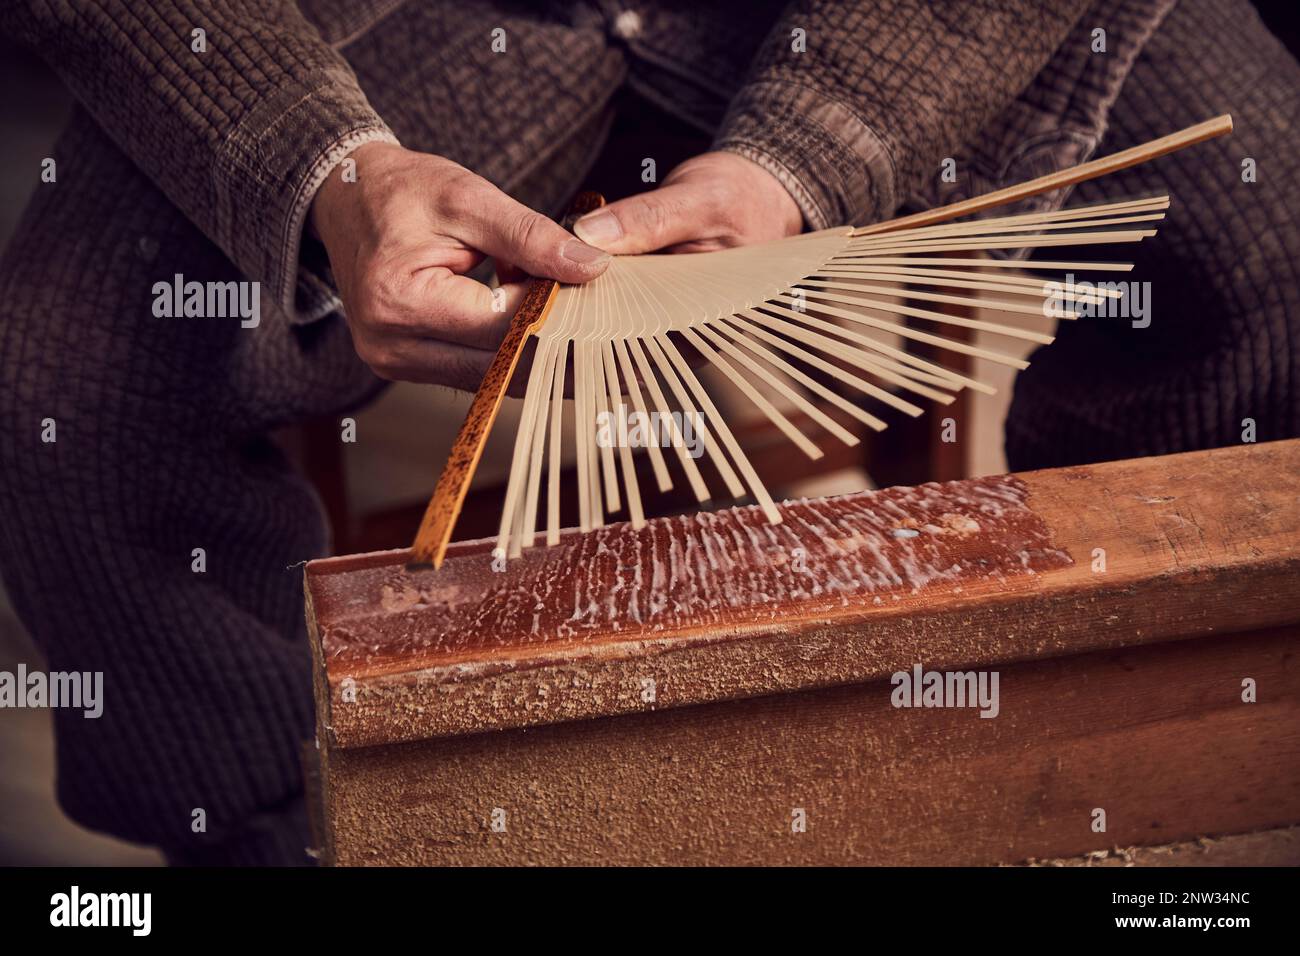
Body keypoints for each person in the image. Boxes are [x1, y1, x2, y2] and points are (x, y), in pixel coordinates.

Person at [0, 0, 1295, 864]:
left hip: (866, 21)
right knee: (67, 387)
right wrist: (322, 163)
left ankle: (1116, 765)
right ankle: (282, 829)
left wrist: (806, 152)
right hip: (389, 25)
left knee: (1273, 264)